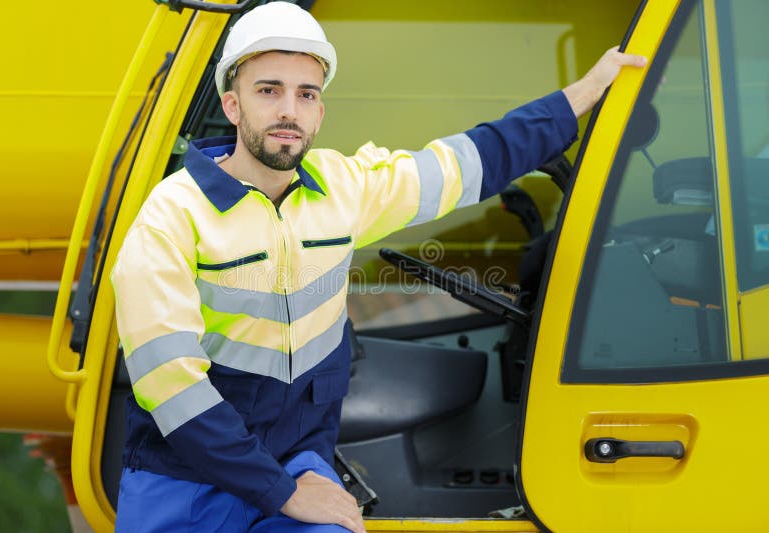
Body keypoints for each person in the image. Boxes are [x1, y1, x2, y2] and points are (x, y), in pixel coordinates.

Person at [110, 2, 647, 532]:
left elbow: (467, 163)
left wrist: (584, 94)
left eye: (306, 94)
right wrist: (281, 491)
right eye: (268, 90)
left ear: (320, 112)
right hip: (186, 480)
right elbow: (172, 387)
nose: (288, 111)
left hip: (294, 466)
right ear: (233, 105)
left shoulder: (342, 189)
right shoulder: (170, 217)